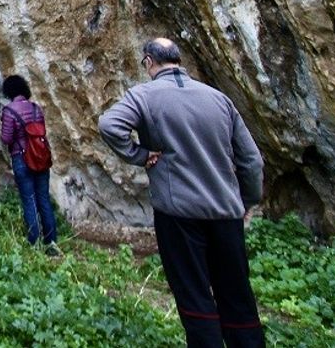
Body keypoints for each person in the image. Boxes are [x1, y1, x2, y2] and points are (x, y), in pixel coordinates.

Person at [98, 38, 265, 348]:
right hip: (226, 213)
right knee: (237, 294)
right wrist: (247, 200)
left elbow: (110, 125)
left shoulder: (145, 95)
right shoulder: (218, 99)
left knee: (194, 294)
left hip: (179, 216)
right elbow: (252, 161)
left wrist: (140, 155)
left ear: (148, 62)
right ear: (178, 59)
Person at [0, 74, 59, 254]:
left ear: (8, 91)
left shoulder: (9, 111)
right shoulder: (36, 109)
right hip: (40, 158)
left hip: (22, 158)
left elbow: (7, 138)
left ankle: (34, 244)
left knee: (29, 200)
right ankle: (52, 244)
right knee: (44, 199)